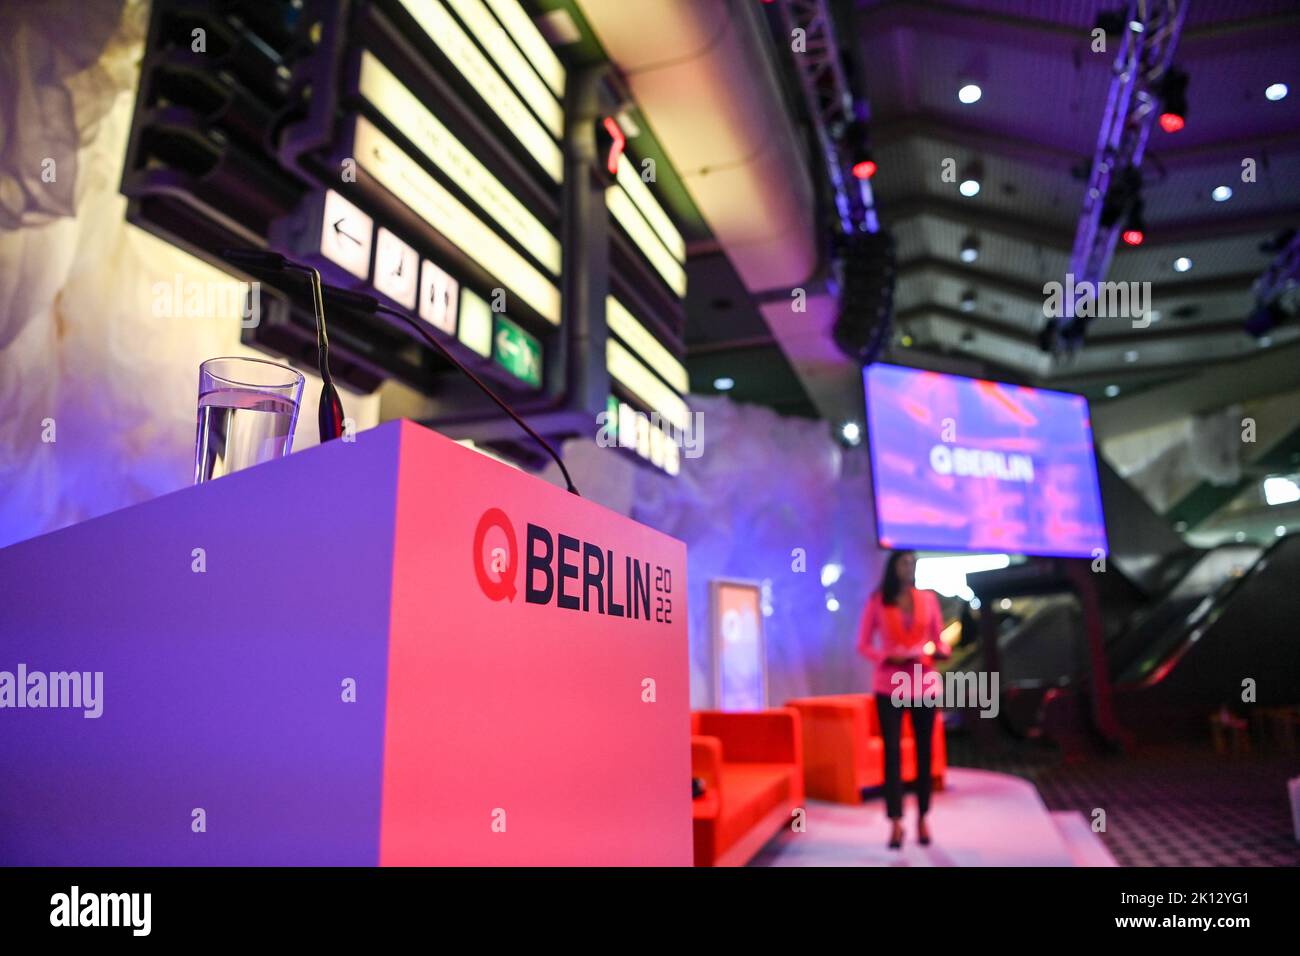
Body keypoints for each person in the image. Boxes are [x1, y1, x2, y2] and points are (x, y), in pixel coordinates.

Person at [856, 550, 950, 850]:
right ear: (893, 566)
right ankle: (895, 822)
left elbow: (940, 638)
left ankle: (923, 816)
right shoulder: (878, 600)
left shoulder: (928, 599)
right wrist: (886, 656)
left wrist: (940, 650)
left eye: (913, 563)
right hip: (889, 685)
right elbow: (863, 644)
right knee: (892, 754)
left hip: (923, 683)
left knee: (925, 753)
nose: (909, 567)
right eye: (904, 562)